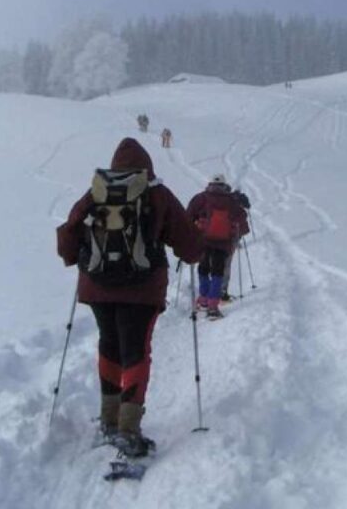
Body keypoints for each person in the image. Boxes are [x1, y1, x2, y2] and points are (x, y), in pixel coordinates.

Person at [56, 138, 203, 457]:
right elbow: (189, 245)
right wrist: (194, 251)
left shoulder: (96, 191)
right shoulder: (157, 193)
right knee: (136, 352)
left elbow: (69, 232)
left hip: (97, 287)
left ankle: (109, 420)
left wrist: (74, 257)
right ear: (146, 166)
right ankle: (129, 429)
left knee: (109, 346)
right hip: (142, 288)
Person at [186, 174, 249, 319]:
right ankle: (213, 306)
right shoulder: (232, 201)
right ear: (225, 185)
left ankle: (203, 299)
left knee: (203, 268)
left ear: (210, 184)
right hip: (223, 243)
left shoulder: (201, 198)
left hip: (203, 240)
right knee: (217, 272)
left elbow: (188, 215)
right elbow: (242, 221)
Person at [220, 188, 252, 301]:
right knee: (226, 264)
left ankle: (209, 292)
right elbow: (244, 215)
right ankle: (222, 292)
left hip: (213, 236)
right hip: (230, 238)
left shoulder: (220, 200)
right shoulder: (237, 203)